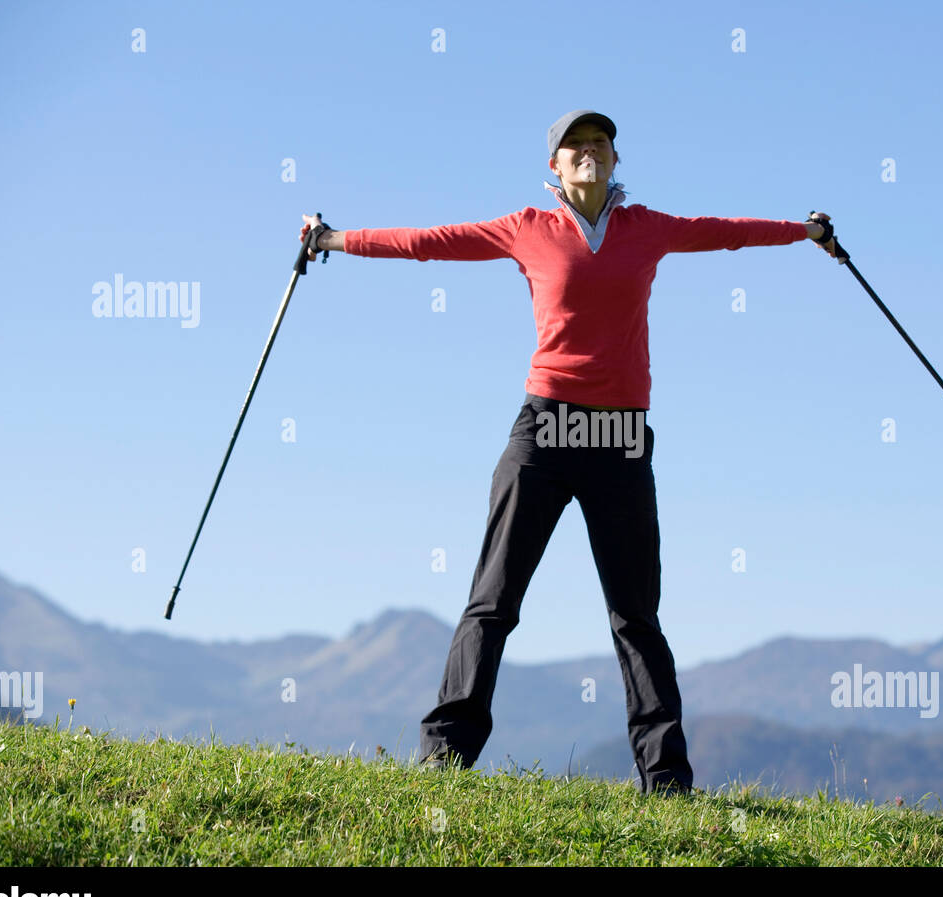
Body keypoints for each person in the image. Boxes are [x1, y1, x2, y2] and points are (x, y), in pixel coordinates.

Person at [299, 109, 839, 797]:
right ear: (554, 166)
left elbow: (726, 234)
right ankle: (444, 758)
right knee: (494, 599)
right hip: (546, 429)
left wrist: (805, 231)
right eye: (574, 146)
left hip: (620, 437)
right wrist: (335, 239)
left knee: (635, 615)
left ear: (615, 160)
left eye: (600, 144)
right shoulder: (528, 228)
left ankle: (667, 781)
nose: (588, 153)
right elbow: (430, 241)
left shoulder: (649, 229)